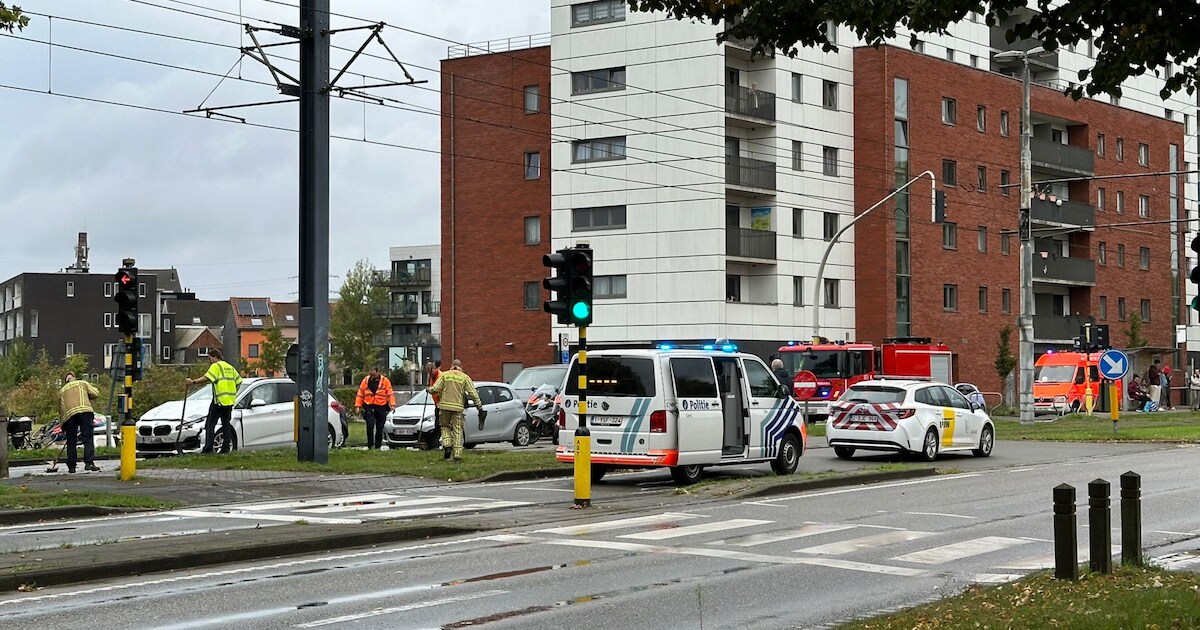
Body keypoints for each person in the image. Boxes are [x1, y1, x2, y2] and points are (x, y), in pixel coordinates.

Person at [186, 348, 242, 453]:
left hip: (219, 400)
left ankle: (208, 448)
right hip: (229, 401)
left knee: (210, 424)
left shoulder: (216, 366)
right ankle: (225, 448)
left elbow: (207, 377)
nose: (209, 361)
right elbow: (239, 381)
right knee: (226, 424)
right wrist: (233, 393)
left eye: (209, 358)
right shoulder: (229, 367)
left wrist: (193, 382)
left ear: (215, 357)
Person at [427, 358, 481, 461]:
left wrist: (429, 390)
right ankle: (457, 455)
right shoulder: (465, 377)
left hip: (444, 407)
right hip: (457, 408)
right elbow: (473, 394)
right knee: (457, 430)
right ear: (461, 367)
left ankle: (447, 446)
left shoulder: (445, 375)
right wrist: (479, 407)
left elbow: (435, 388)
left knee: (444, 427)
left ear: (452, 365)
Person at [58, 372, 100, 473]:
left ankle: (72, 466)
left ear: (66, 381)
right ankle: (89, 463)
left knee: (71, 442)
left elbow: (60, 409)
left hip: (70, 416)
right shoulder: (82, 383)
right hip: (85, 412)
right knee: (87, 438)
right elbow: (95, 393)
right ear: (74, 378)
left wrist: (63, 424)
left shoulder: (62, 391)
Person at [354, 367, 395, 450]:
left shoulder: (385, 381)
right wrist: (358, 406)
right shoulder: (365, 381)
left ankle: (377, 445)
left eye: (374, 374)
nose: (372, 376)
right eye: (371, 374)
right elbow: (360, 393)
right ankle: (370, 445)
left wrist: (392, 404)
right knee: (369, 425)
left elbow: (390, 393)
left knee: (380, 428)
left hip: (381, 406)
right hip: (369, 406)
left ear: (377, 372)